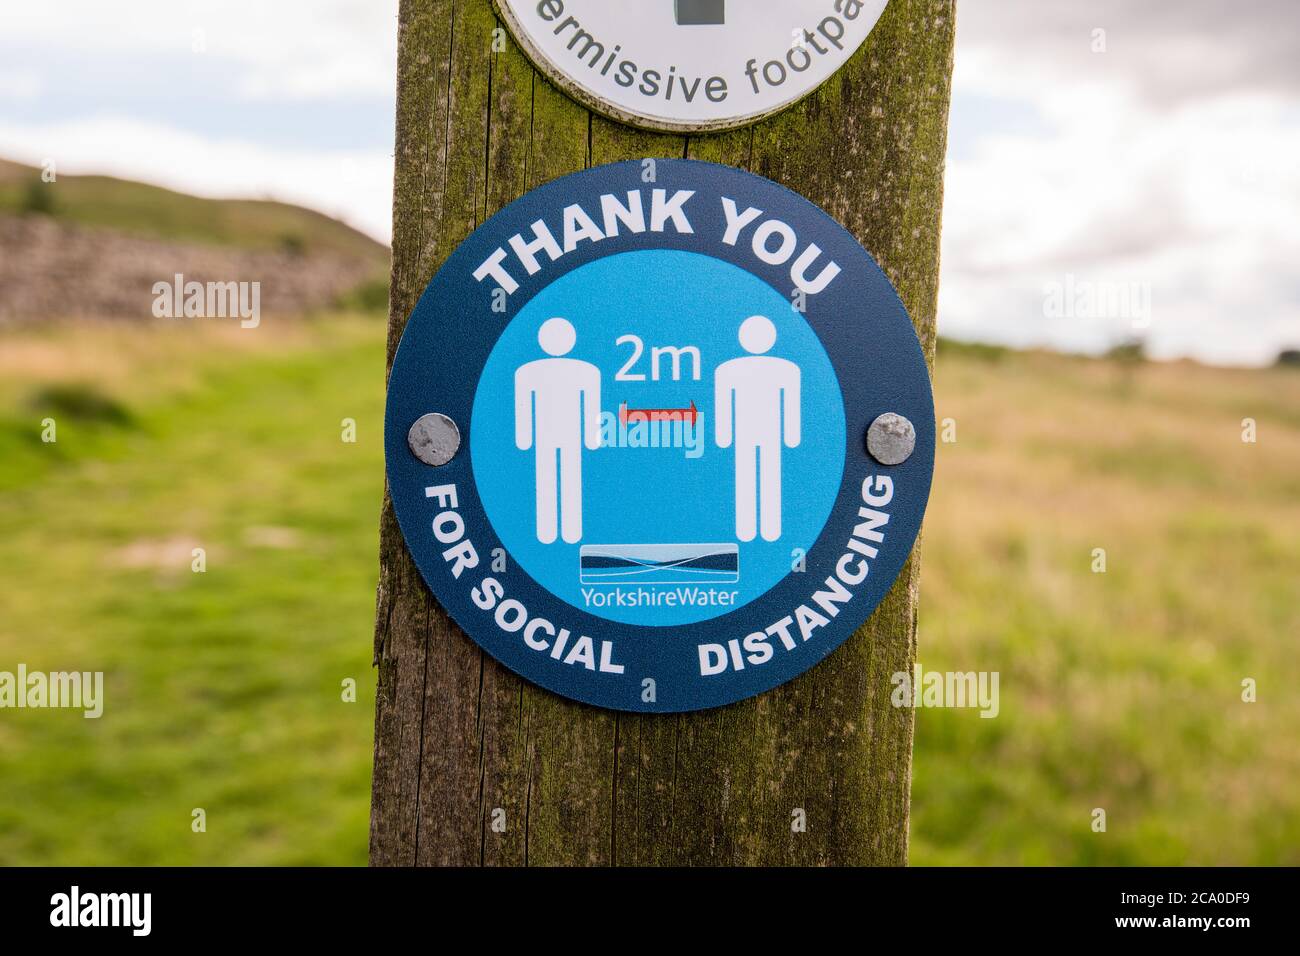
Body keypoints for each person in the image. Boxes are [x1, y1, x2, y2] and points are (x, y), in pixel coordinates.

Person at [714, 315, 801, 542]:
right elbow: (723, 403)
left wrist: (792, 434)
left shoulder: (786, 369)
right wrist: (722, 434)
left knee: (763, 475)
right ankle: (751, 530)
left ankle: (766, 530)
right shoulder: (728, 370)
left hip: (765, 432)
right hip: (748, 432)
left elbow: (791, 403)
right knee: (752, 476)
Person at [515, 317, 602, 544]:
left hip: (565, 434)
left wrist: (593, 436)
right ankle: (551, 532)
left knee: (561, 478)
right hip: (550, 435)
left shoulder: (586, 371)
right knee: (553, 478)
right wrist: (524, 437)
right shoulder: (528, 372)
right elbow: (523, 406)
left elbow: (592, 406)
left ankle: (564, 532)